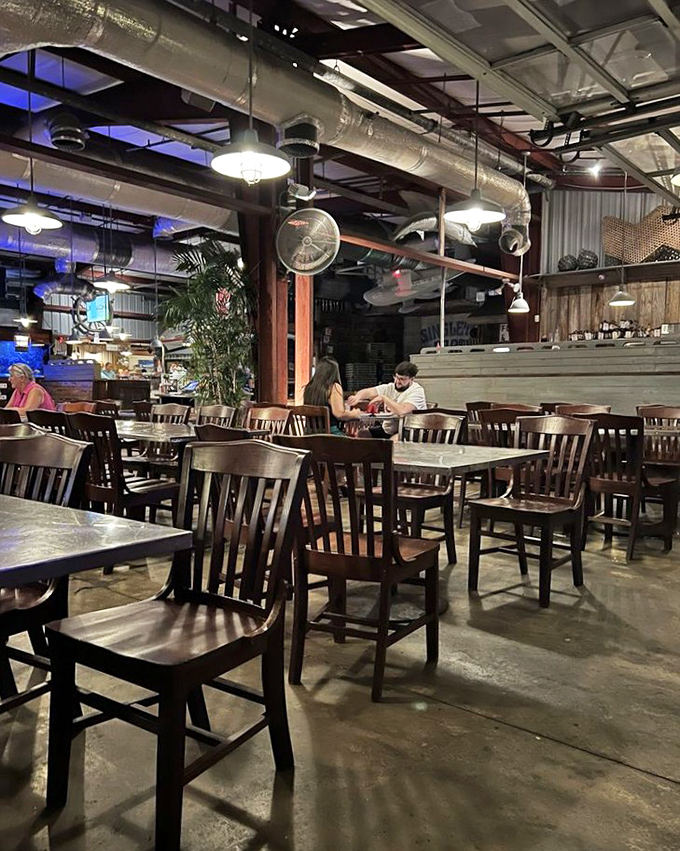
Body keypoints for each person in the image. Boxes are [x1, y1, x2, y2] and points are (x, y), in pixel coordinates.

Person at [347, 360, 426, 438]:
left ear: (412, 379)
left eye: (402, 379)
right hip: (389, 429)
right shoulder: (390, 387)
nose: (398, 381)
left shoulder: (416, 390)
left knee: (394, 440)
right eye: (396, 377)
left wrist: (384, 398)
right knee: (362, 434)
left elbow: (402, 411)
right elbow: (368, 391)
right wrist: (357, 397)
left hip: (410, 430)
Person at [303, 356, 362, 435]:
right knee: (358, 441)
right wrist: (354, 414)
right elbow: (339, 414)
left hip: (309, 436)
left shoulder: (309, 388)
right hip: (330, 436)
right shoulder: (333, 387)